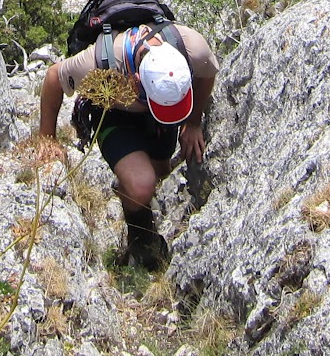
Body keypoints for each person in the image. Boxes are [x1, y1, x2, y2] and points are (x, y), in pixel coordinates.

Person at [38, 22, 218, 268]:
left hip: (156, 116)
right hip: (112, 113)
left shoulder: (192, 48)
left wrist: (193, 122)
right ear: (136, 80)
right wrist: (47, 140)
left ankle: (128, 188)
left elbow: (208, 71)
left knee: (160, 172)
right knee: (142, 185)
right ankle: (142, 246)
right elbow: (53, 78)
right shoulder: (97, 63)